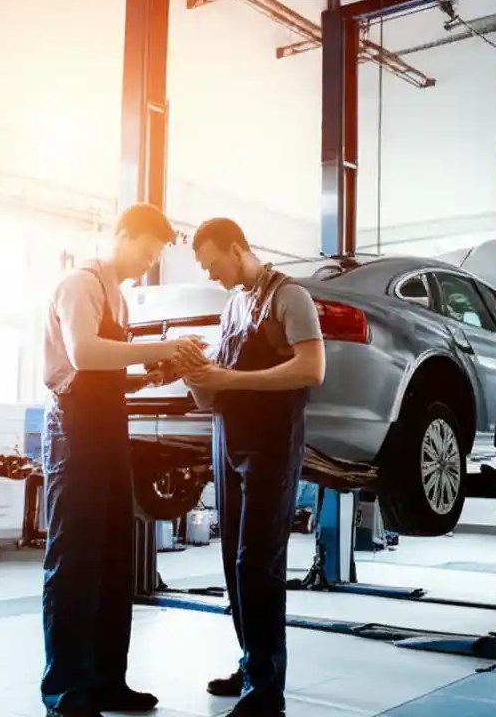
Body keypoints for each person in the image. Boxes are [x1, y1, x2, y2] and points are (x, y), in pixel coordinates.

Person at [40, 202, 199, 717]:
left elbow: (108, 370)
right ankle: (65, 689)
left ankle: (108, 680)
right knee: (74, 558)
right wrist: (159, 348)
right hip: (74, 428)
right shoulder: (79, 286)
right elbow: (84, 355)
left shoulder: (120, 300)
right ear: (123, 236)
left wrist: (150, 376)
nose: (147, 263)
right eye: (147, 251)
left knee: (113, 557)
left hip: (109, 426)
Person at [177, 217, 326, 717]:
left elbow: (312, 369)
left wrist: (232, 380)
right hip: (229, 439)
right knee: (232, 563)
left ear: (237, 249)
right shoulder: (234, 306)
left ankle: (267, 691)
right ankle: (251, 662)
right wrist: (192, 374)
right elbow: (214, 387)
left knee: (257, 563)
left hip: (271, 441)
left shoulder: (291, 298)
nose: (211, 274)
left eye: (213, 263)